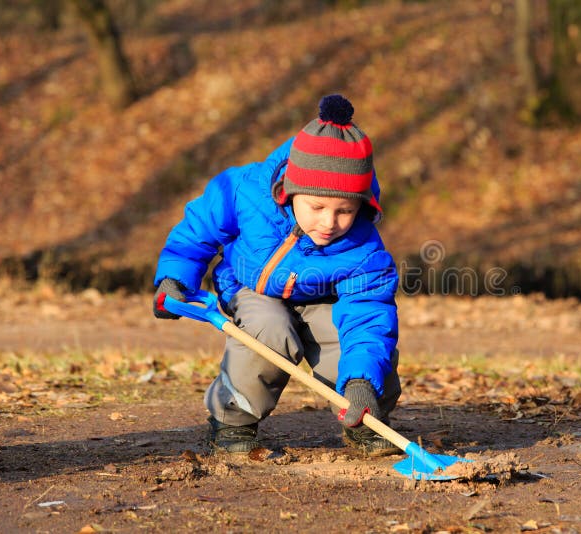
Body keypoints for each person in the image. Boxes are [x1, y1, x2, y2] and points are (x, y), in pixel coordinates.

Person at [152, 94, 401, 457]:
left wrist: (362, 380)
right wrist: (175, 279)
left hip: (322, 299)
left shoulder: (363, 248)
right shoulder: (245, 192)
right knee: (268, 327)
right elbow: (196, 230)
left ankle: (364, 421)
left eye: (344, 210)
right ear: (290, 191)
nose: (329, 223)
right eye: (316, 207)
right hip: (251, 289)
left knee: (347, 341)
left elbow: (368, 317)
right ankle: (232, 422)